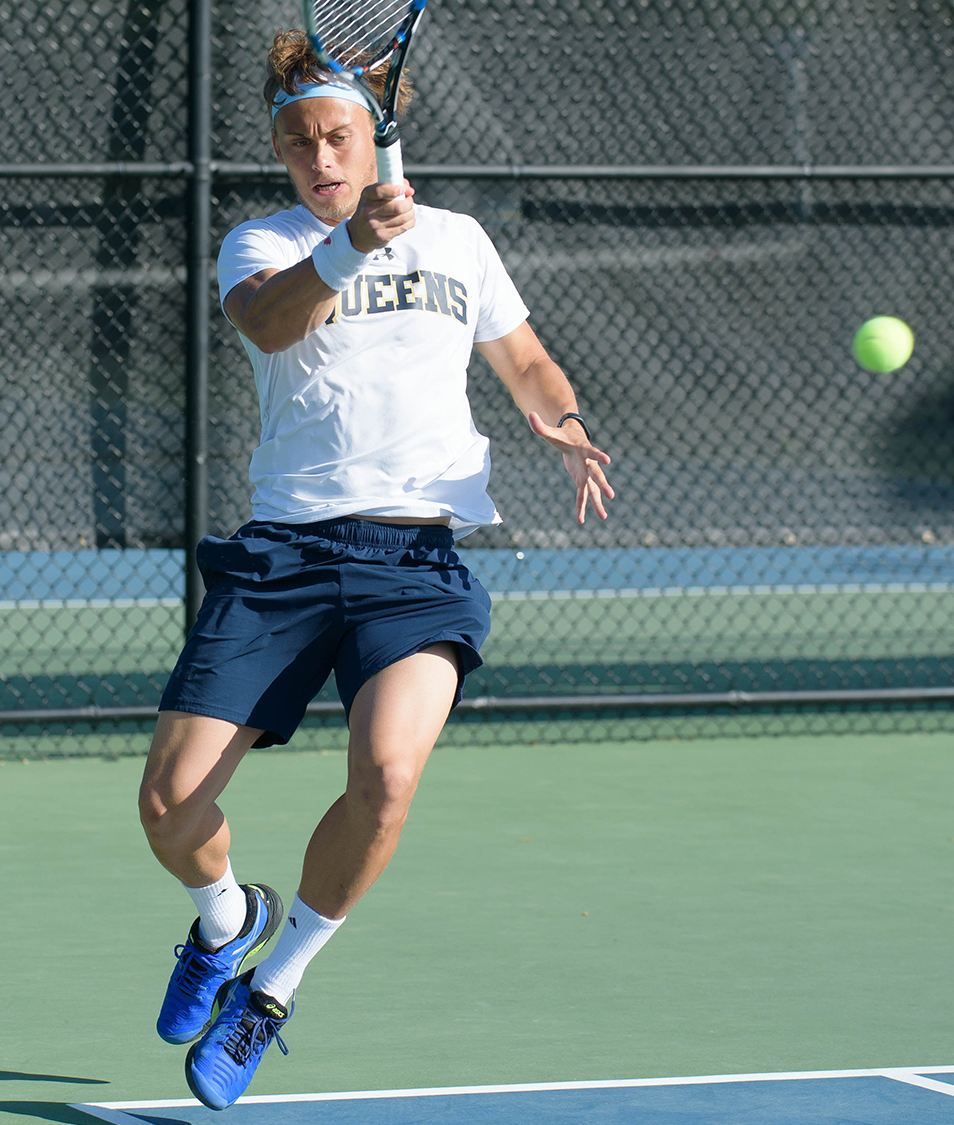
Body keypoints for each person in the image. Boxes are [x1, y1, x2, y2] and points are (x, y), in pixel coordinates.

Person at [136, 29, 614, 1112]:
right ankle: (226, 923)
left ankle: (272, 991)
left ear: (375, 136)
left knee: (387, 779)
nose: (319, 156)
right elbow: (266, 325)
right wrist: (348, 244)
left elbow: (525, 359)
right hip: (284, 556)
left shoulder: (457, 240)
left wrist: (563, 417)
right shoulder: (257, 243)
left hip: (415, 559)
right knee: (167, 803)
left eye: (338, 136)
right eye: (299, 141)